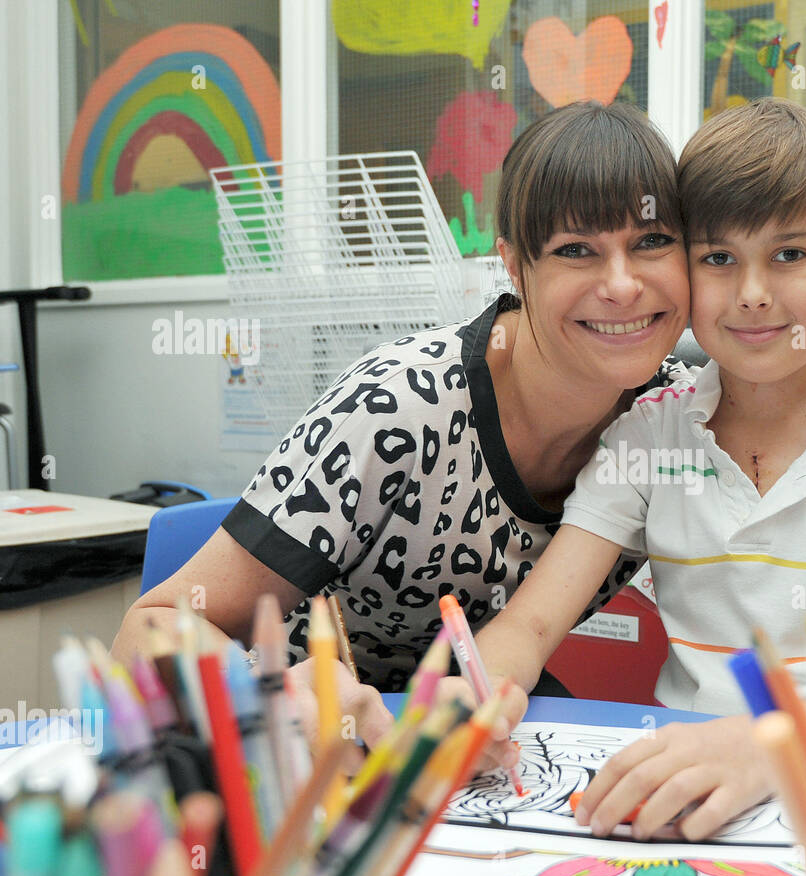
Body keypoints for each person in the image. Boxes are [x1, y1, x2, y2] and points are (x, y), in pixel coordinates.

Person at [111, 101, 692, 773]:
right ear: (513, 265)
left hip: (476, 730)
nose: (622, 284)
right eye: (574, 251)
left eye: (651, 242)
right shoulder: (397, 411)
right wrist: (262, 693)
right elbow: (145, 629)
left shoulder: (670, 420)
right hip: (309, 748)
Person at [448, 98, 806, 839]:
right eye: (719, 258)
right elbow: (530, 625)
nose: (754, 292)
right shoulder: (649, 432)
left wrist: (769, 742)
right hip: (688, 800)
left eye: (789, 255)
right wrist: (480, 691)